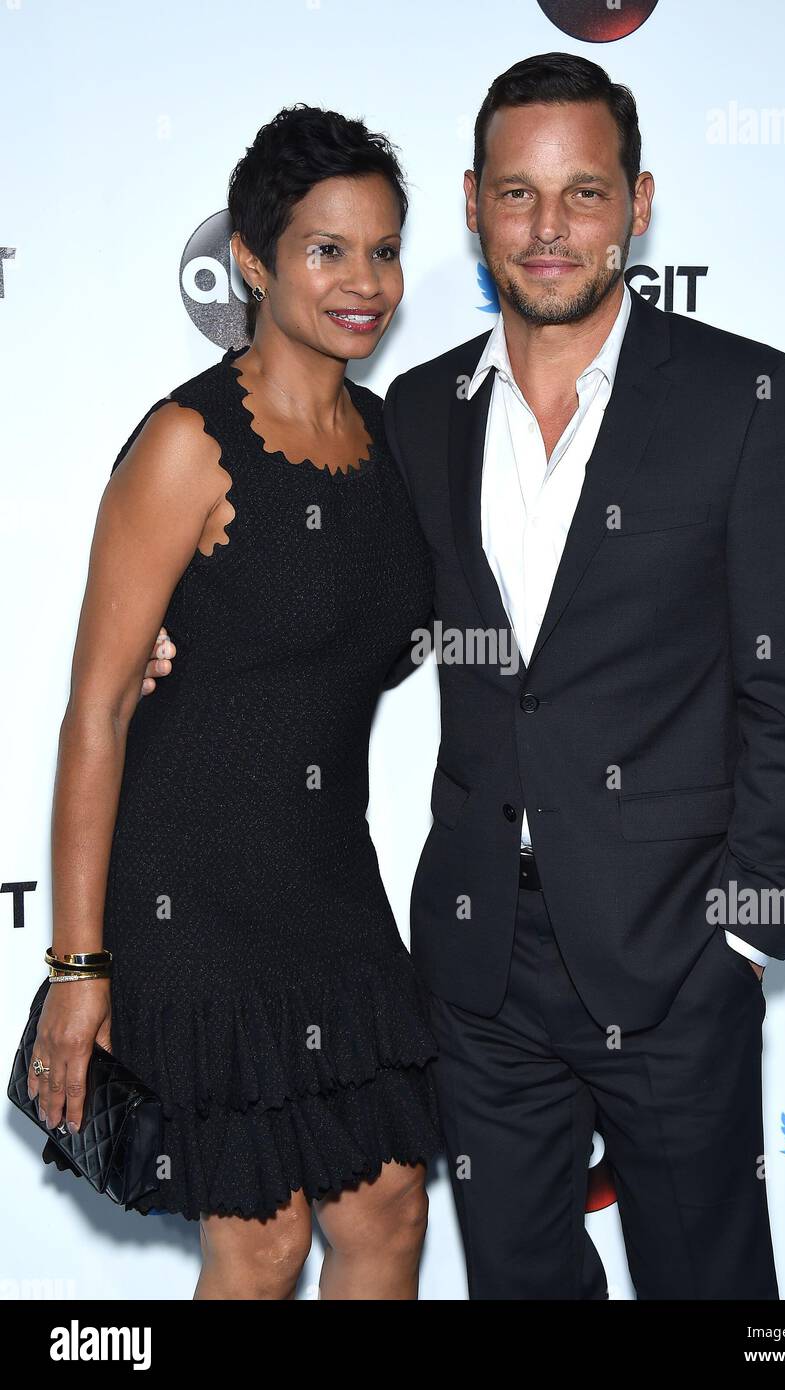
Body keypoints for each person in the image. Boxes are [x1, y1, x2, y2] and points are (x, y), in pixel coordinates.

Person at [143, 53, 785, 1300]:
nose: (547, 227)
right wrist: (183, 636)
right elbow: (335, 603)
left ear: (638, 206)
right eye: (517, 195)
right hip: (472, 967)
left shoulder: (746, 398)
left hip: (675, 950)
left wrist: (743, 937)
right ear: (472, 206)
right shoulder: (414, 415)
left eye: (582, 193)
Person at [27, 104, 444, 1301]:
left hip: (329, 885)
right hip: (192, 896)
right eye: (326, 250)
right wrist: (79, 966)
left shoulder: (386, 439)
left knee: (389, 1208)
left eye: (382, 248)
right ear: (253, 261)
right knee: (259, 1240)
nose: (363, 281)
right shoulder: (186, 445)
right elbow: (96, 713)